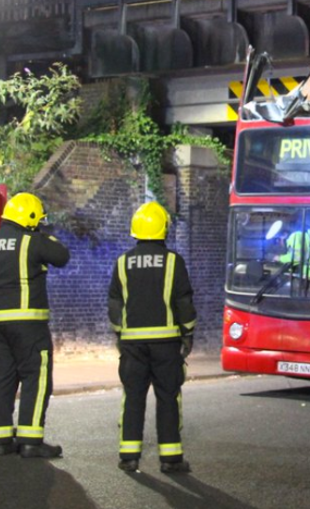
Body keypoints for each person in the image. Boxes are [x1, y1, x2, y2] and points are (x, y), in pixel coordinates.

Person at [0, 192, 70, 458]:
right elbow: (61, 256)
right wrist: (43, 233)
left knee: (0, 379)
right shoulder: (33, 242)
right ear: (31, 218)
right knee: (36, 377)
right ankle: (30, 440)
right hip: (28, 324)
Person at [108, 201, 197, 474]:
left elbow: (114, 303)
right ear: (164, 230)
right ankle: (170, 459)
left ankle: (129, 456)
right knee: (168, 397)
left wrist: (119, 334)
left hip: (133, 344)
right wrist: (188, 332)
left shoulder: (122, 263)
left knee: (133, 397)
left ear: (135, 231)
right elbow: (183, 301)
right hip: (166, 344)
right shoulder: (173, 261)